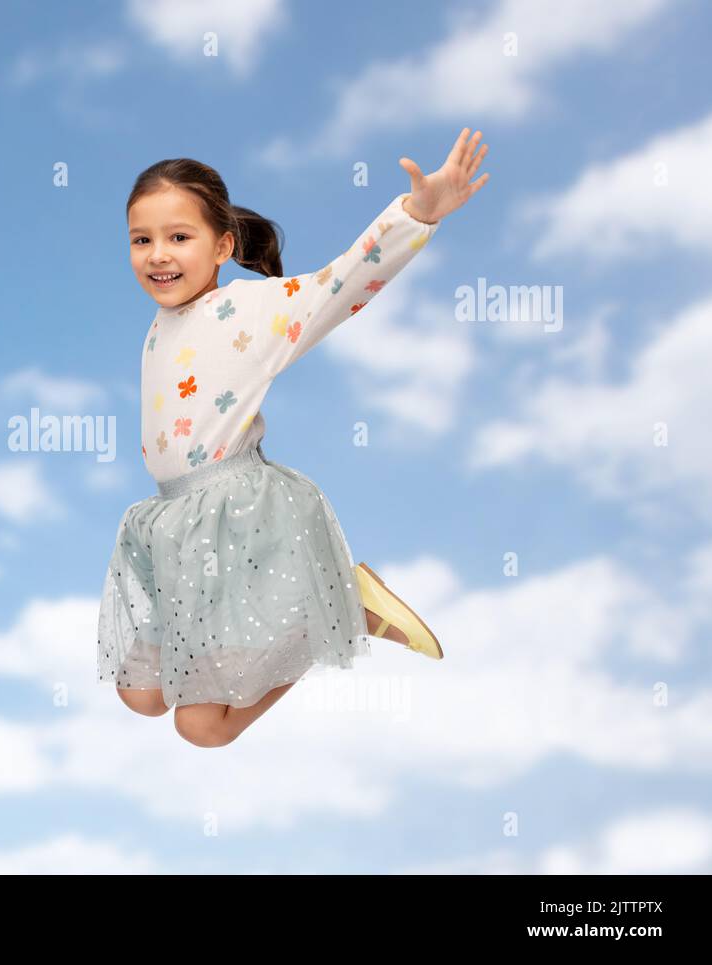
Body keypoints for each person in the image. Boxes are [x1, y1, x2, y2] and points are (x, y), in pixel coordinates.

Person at [97, 128, 490, 747]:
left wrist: (416, 214)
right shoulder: (160, 320)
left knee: (200, 726)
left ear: (222, 245)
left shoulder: (250, 309)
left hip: (235, 514)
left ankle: (346, 608)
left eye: (179, 237)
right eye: (141, 240)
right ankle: (337, 605)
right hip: (172, 525)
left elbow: (342, 282)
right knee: (139, 693)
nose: (157, 255)